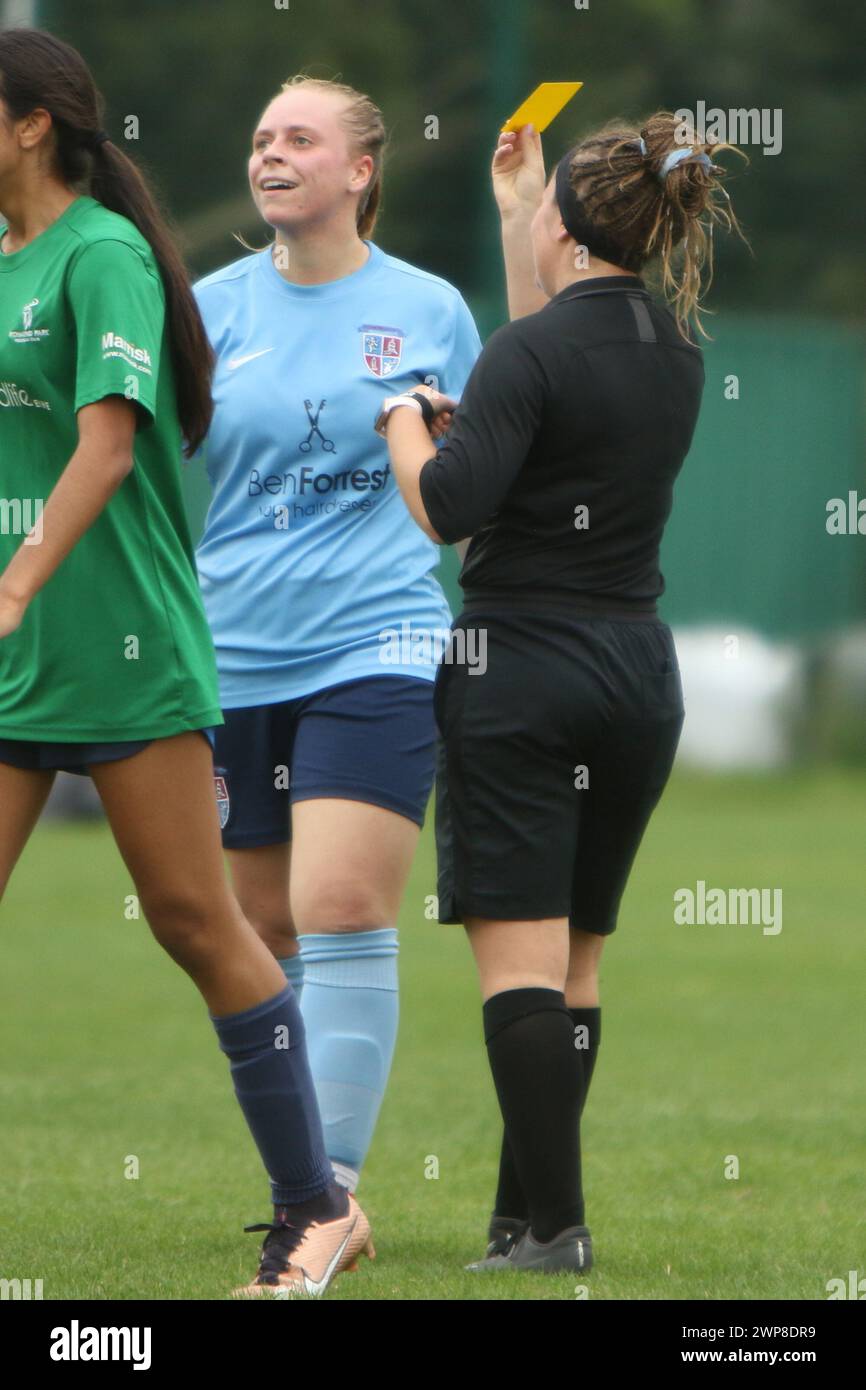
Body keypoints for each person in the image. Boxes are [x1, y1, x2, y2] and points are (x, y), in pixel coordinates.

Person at [0, 27, 371, 1299]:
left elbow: (106, 446)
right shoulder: (3, 260)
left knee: (195, 920)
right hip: (17, 658)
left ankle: (315, 1209)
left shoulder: (101, 254)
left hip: (120, 643)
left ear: (32, 122)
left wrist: (16, 581)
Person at [377, 113, 746, 1272]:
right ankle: (519, 1218)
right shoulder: (671, 343)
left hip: (520, 667)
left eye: (539, 213)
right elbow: (543, 386)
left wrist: (402, 422)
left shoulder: (527, 355)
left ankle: (558, 1230)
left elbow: (446, 505)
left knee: (518, 965)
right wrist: (510, 209)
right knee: (572, 961)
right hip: (634, 672)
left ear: (568, 230)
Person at [192, 76, 481, 1196]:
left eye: (299, 139)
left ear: (360, 171)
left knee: (344, 905)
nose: (271, 154)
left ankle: (333, 1197)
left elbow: (460, 484)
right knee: (263, 927)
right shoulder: (206, 306)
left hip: (380, 638)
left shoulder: (429, 309)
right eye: (262, 138)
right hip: (231, 652)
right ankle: (303, 1188)